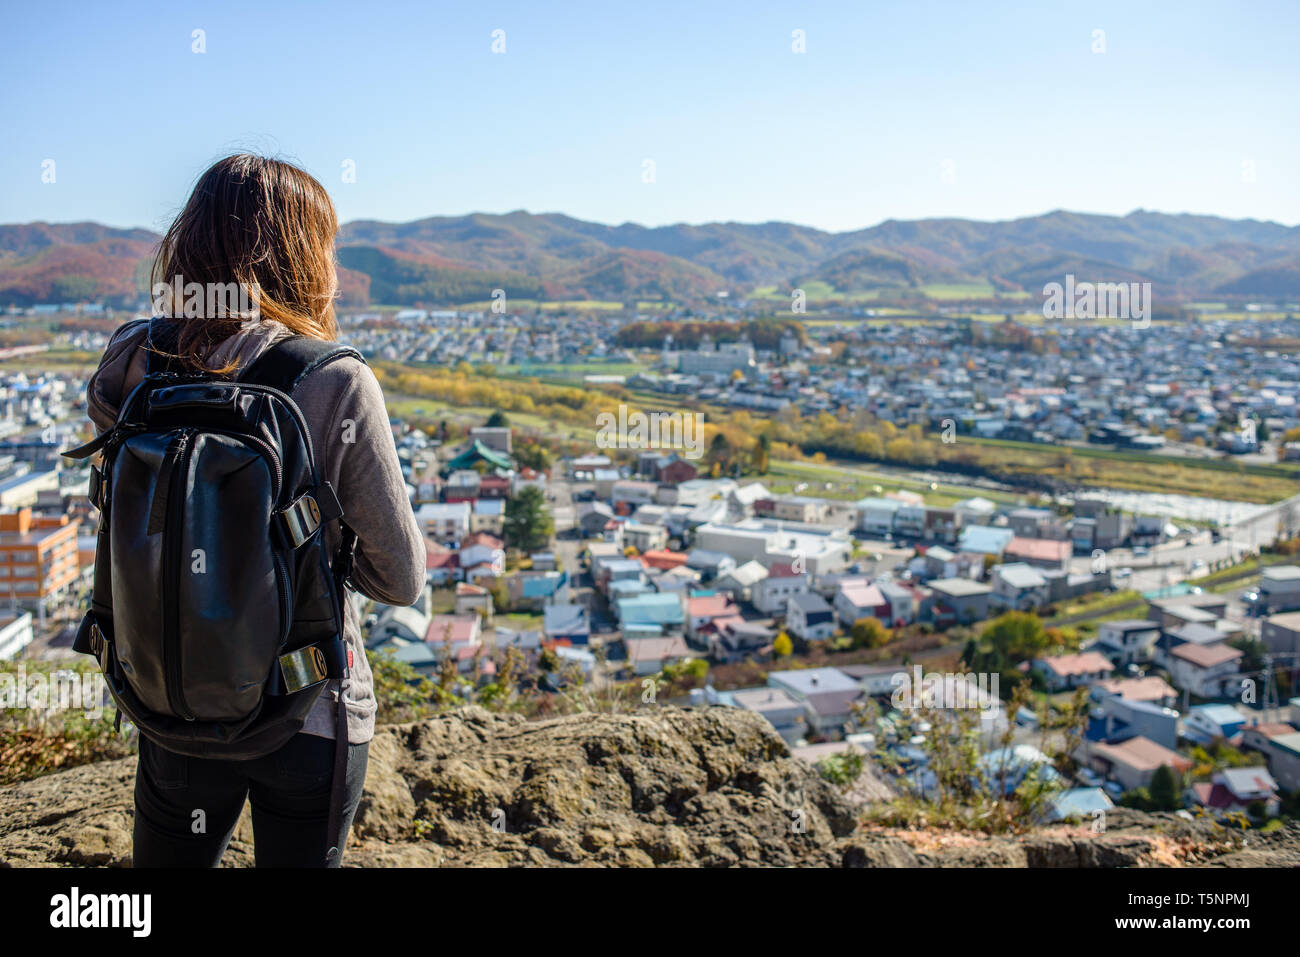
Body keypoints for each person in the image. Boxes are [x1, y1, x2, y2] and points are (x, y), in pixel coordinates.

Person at [84, 154, 425, 867]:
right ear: (302, 255)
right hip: (308, 710)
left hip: (168, 692)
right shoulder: (333, 379)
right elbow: (400, 576)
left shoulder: (130, 359)